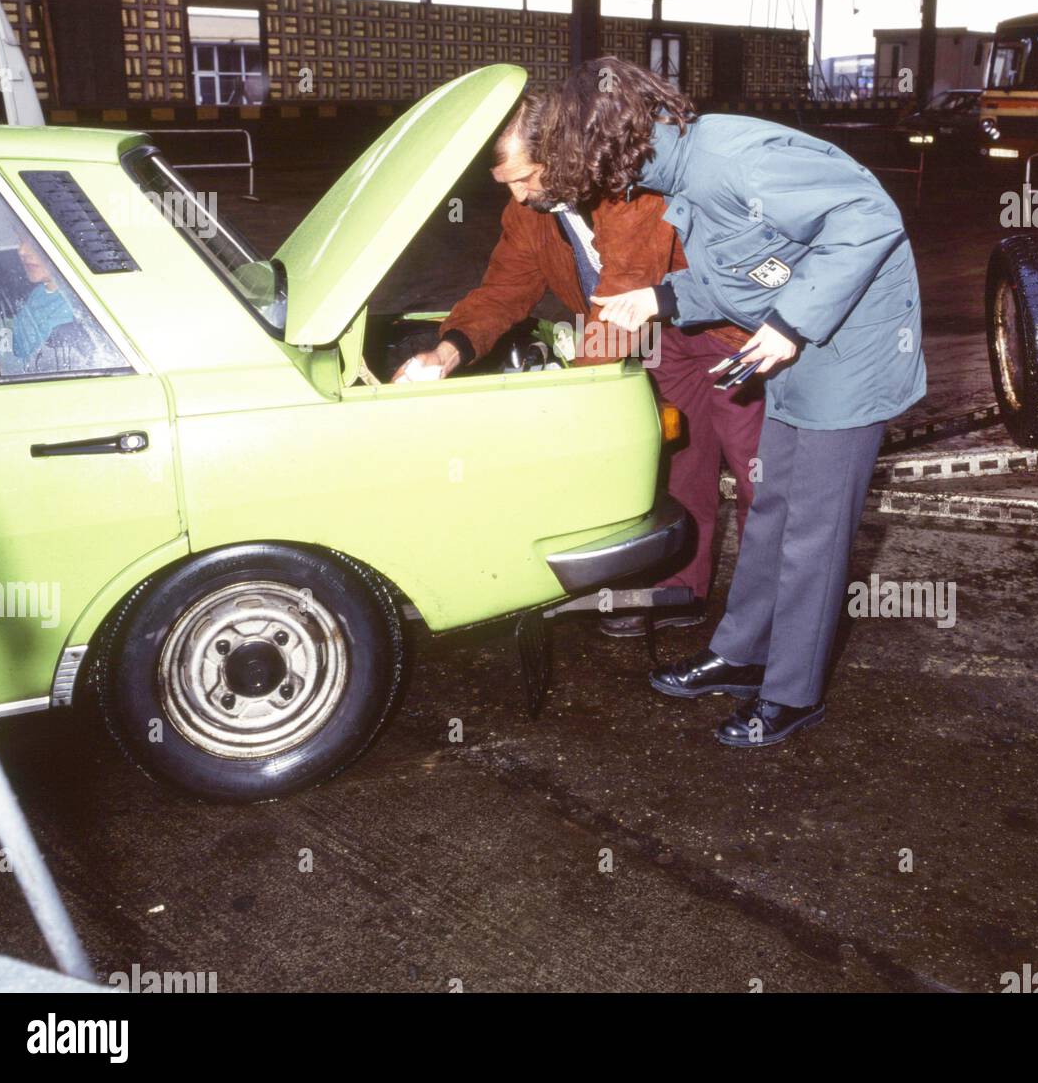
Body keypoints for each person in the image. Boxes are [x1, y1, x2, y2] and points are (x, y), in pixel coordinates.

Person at [540, 57, 926, 747]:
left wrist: (789, 325)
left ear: (611, 141)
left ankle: (793, 692)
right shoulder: (686, 172)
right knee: (773, 502)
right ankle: (743, 653)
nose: (598, 185)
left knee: (815, 528)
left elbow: (869, 217)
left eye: (589, 164)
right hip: (796, 343)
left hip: (849, 348)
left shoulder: (737, 162)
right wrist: (662, 298)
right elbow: (754, 268)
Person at [392, 92, 764, 638]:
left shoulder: (627, 187)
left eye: (525, 177)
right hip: (661, 336)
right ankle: (678, 590)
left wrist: (580, 393)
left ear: (563, 155)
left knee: (761, 478)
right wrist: (448, 352)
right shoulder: (529, 209)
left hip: (730, 329)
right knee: (679, 466)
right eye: (507, 184)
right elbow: (504, 290)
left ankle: (764, 626)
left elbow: (624, 290)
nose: (518, 195)